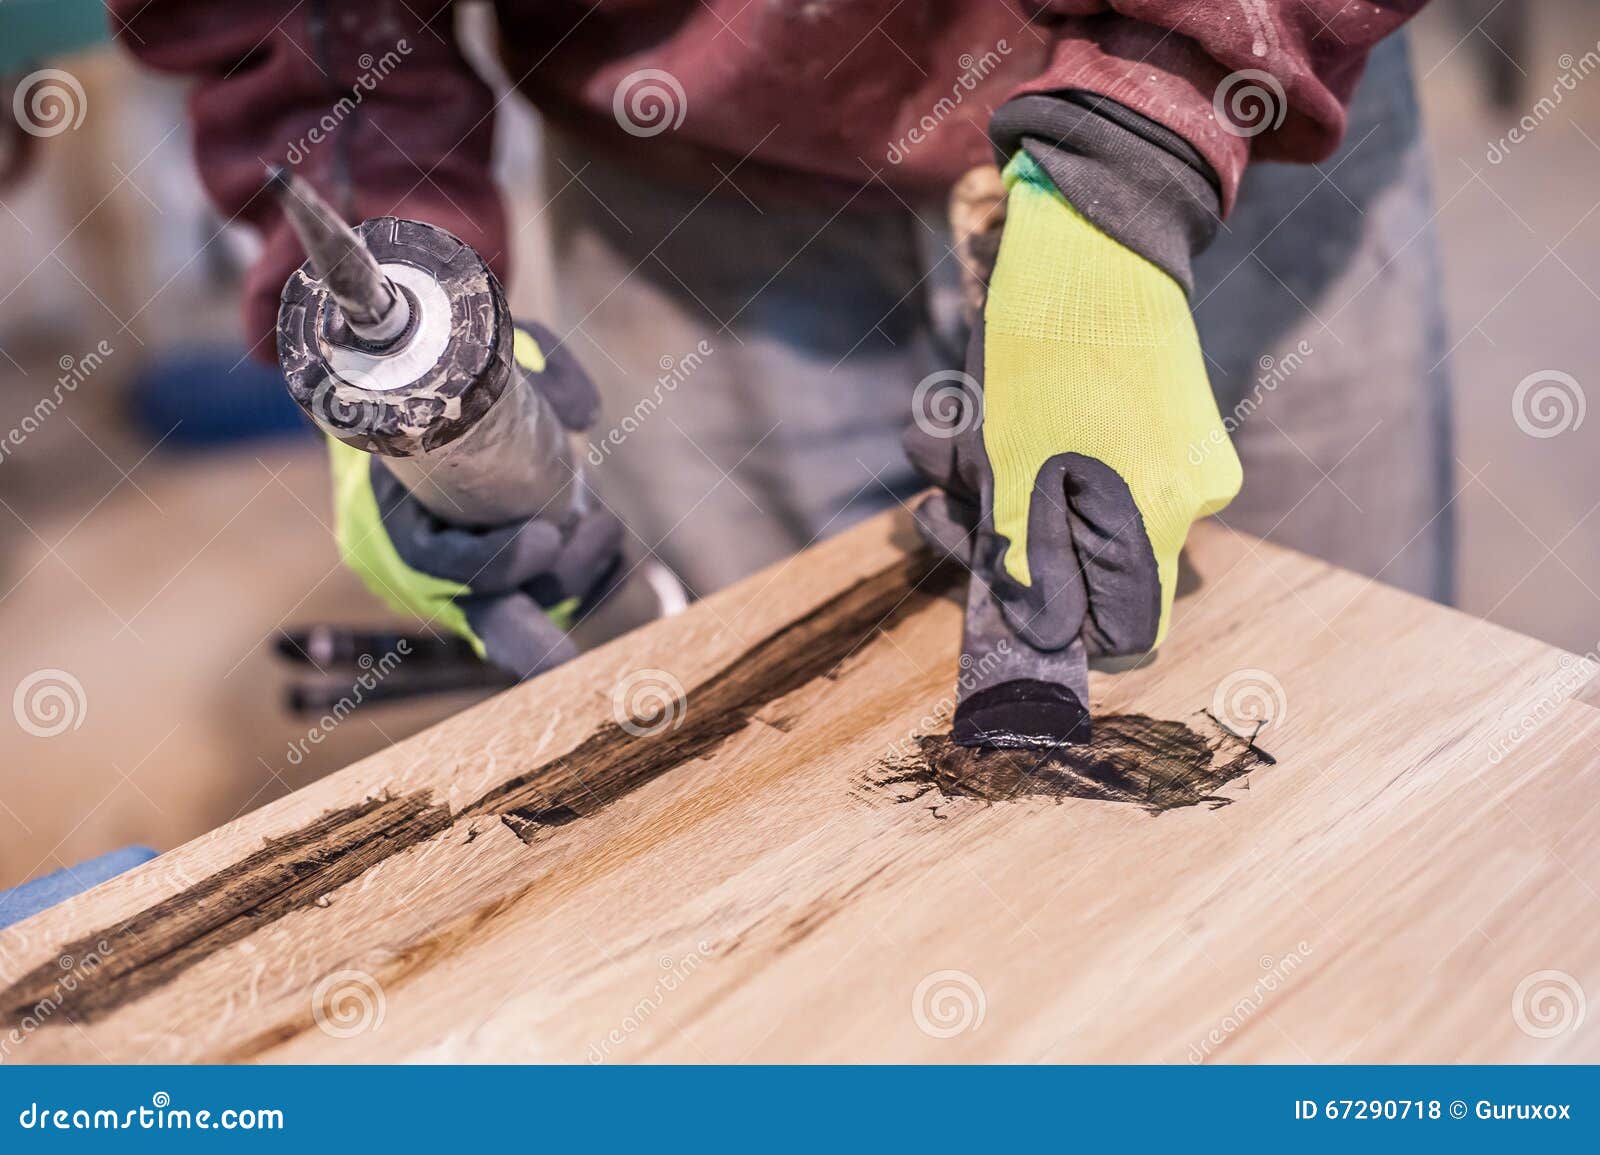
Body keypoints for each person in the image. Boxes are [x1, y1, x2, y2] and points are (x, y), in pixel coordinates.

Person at [110, 1, 1450, 688]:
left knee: (1332, 785)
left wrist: (1150, 137)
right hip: (687, 196)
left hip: (1246, 129)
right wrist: (384, 275)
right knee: (799, 869)